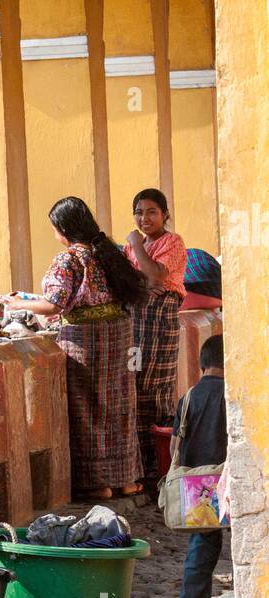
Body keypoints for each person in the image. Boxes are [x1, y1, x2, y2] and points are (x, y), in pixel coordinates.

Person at [0, 196, 145, 500]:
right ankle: (126, 480)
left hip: (85, 340)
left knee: (87, 406)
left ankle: (97, 483)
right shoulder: (108, 253)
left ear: (63, 228)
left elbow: (55, 302)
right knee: (118, 403)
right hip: (118, 336)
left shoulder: (69, 259)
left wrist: (18, 303)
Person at [122, 188, 187, 481]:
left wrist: (136, 243)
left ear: (164, 214)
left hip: (160, 321)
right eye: (138, 212)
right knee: (135, 384)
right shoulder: (132, 247)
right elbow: (131, 281)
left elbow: (156, 275)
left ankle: (161, 470)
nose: (143, 218)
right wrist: (143, 283)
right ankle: (142, 467)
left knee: (156, 387)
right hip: (136, 320)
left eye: (151, 212)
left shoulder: (171, 242)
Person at [172, 333, 227, 598]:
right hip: (231, 477)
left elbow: (174, 447)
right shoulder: (234, 394)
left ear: (202, 363)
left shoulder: (189, 396)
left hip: (199, 484)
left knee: (203, 542)